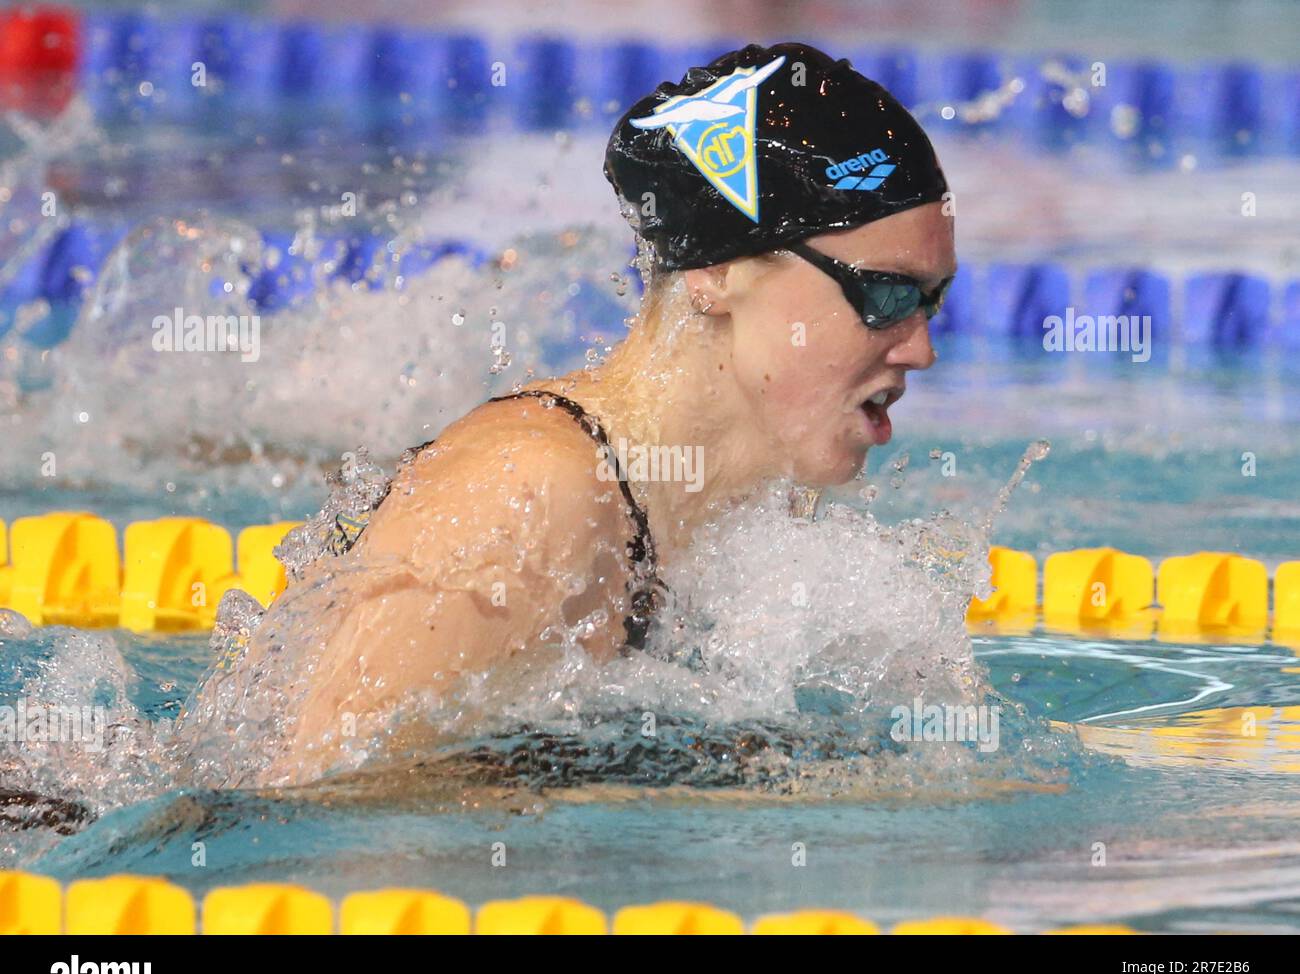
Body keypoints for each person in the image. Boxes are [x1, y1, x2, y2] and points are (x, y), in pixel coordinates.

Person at [240, 41, 958, 786]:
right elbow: (311, 806)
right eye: (886, 295)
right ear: (717, 271)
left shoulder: (754, 512)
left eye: (933, 300)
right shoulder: (531, 494)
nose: (921, 349)